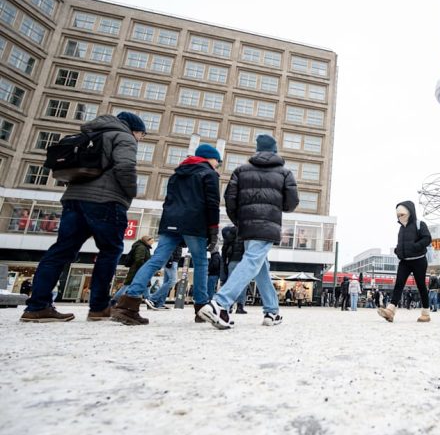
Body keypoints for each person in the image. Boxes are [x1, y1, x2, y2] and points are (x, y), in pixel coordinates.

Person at [20, 112, 145, 323]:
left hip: (73, 199)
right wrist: (131, 192)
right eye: (142, 134)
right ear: (134, 129)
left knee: (61, 250)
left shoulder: (91, 134)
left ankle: (37, 306)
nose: (140, 139)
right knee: (109, 251)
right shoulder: (123, 137)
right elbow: (125, 167)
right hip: (106, 201)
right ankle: (98, 307)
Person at [112, 143, 221, 325]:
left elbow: (168, 201)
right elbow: (212, 203)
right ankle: (201, 306)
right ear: (210, 158)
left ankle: (128, 303)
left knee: (156, 260)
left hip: (170, 222)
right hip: (195, 223)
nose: (218, 165)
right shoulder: (209, 174)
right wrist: (213, 229)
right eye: (218, 161)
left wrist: (167, 222)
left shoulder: (176, 174)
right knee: (201, 262)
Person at [200, 134, 299, 329]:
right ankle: (220, 303)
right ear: (274, 151)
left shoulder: (240, 171)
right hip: (268, 224)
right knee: (254, 261)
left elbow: (230, 199)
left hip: (245, 225)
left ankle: (271, 311)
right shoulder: (284, 173)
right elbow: (291, 203)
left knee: (260, 267)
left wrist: (240, 221)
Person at [377, 201, 432, 323]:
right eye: (398, 215)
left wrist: (415, 247)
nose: (399, 217)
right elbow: (400, 244)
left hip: (419, 260)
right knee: (399, 284)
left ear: (409, 213)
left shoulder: (420, 224)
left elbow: (427, 238)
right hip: (405, 261)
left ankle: (426, 313)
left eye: (402, 214)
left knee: (421, 286)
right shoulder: (401, 228)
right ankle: (390, 311)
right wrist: (398, 251)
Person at [110, 235, 153, 304]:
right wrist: (144, 268)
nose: (152, 243)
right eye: (151, 241)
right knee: (127, 286)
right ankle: (114, 301)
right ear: (147, 241)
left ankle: (149, 301)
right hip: (137, 270)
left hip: (139, 270)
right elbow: (139, 260)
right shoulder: (141, 247)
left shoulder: (144, 247)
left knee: (146, 285)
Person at [220, 226, 248, 314]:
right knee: (242, 284)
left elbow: (224, 249)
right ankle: (240, 306)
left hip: (232, 261)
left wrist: (224, 263)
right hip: (243, 261)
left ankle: (229, 305)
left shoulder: (229, 233)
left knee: (231, 283)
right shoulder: (246, 232)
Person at [146, 243, 183, 310]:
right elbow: (169, 248)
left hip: (173, 260)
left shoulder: (179, 238)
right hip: (171, 260)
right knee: (173, 281)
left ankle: (159, 303)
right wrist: (170, 260)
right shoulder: (175, 236)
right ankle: (152, 298)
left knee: (166, 282)